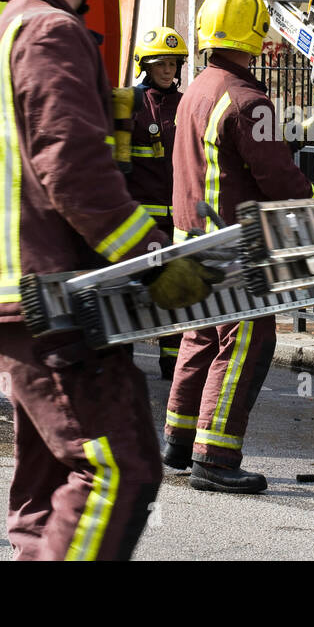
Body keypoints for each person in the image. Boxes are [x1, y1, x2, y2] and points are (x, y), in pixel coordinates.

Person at [0, 0, 218, 560]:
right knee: (115, 467)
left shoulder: (1, 38)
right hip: (52, 304)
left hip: (14, 304)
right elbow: (72, 165)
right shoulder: (50, 30)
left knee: (47, 499)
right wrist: (155, 262)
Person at [162, 0, 314, 494]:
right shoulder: (247, 99)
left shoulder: (197, 89)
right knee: (248, 340)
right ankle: (215, 457)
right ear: (256, 37)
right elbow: (276, 179)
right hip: (231, 243)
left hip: (190, 237)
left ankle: (178, 443)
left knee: (200, 336)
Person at [123, 26, 189, 379]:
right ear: (145, 66)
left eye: (173, 64)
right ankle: (122, 359)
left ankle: (171, 362)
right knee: (131, 292)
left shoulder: (184, 104)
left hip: (175, 221)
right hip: (138, 222)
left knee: (173, 292)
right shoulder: (130, 105)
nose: (168, 71)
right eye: (161, 64)